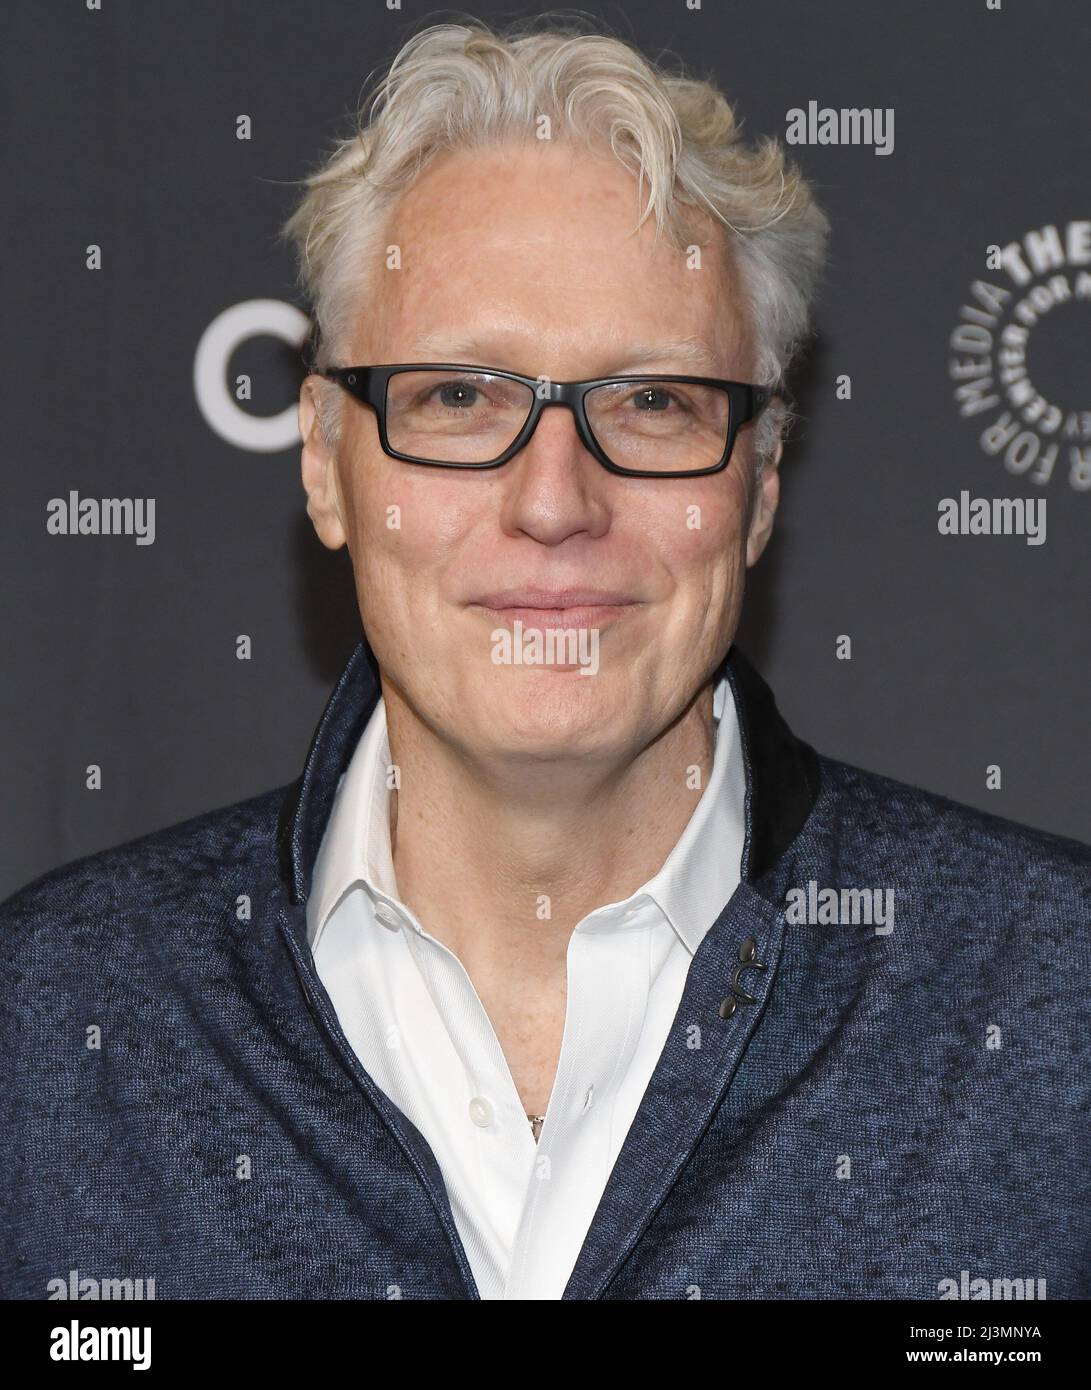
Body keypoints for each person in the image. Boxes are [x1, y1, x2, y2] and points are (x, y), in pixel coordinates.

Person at [2, 18, 1087, 1301]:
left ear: (758, 486)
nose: (554, 500)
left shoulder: (1050, 1002)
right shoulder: (54, 1027)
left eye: (652, 401)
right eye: (458, 396)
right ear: (321, 460)